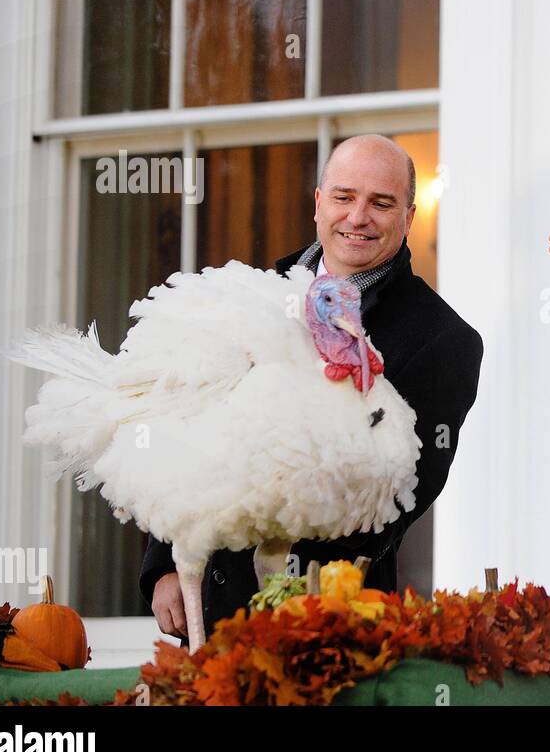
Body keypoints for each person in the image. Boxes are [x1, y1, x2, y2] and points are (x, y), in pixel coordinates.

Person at [141, 135, 484, 641]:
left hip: (327, 623)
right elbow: (183, 423)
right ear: (319, 202)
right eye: (344, 197)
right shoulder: (251, 293)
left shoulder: (442, 340)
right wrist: (167, 562)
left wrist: (291, 594)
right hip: (207, 605)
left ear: (408, 218)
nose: (358, 217)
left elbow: (398, 500)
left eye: (381, 203)